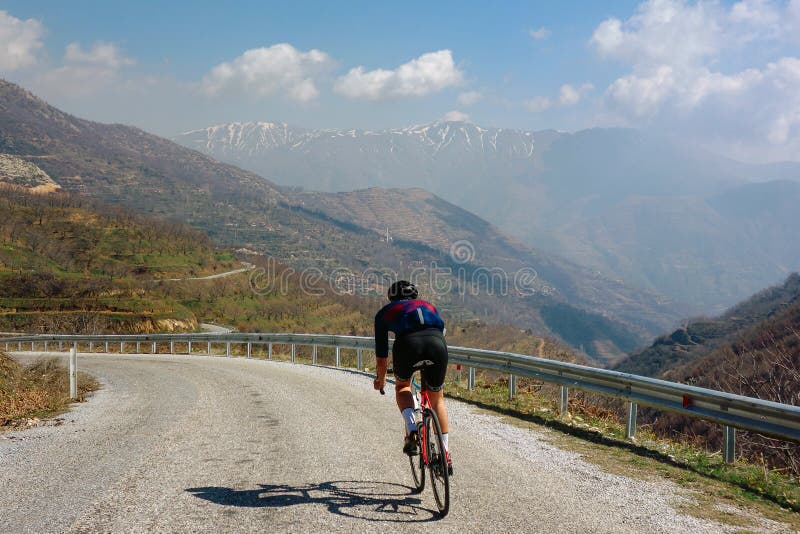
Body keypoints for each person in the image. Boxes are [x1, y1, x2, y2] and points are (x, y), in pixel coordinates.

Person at [373, 280, 452, 473]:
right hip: (437, 345)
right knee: (437, 399)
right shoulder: (428, 306)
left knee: (402, 387)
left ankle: (412, 429)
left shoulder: (385, 312)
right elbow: (441, 331)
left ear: (391, 298)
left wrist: (381, 380)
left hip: (408, 346)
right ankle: (446, 455)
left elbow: (382, 358)